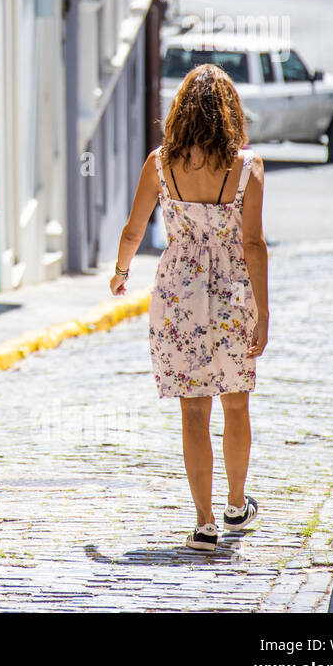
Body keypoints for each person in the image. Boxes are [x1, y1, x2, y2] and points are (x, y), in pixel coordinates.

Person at [109, 64, 268, 552]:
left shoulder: (159, 164)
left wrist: (120, 272)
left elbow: (134, 229)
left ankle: (203, 523)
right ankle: (237, 506)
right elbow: (254, 243)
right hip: (231, 295)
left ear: (179, 112)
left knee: (193, 413)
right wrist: (262, 312)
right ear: (228, 114)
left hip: (178, 294)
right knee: (236, 401)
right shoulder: (247, 168)